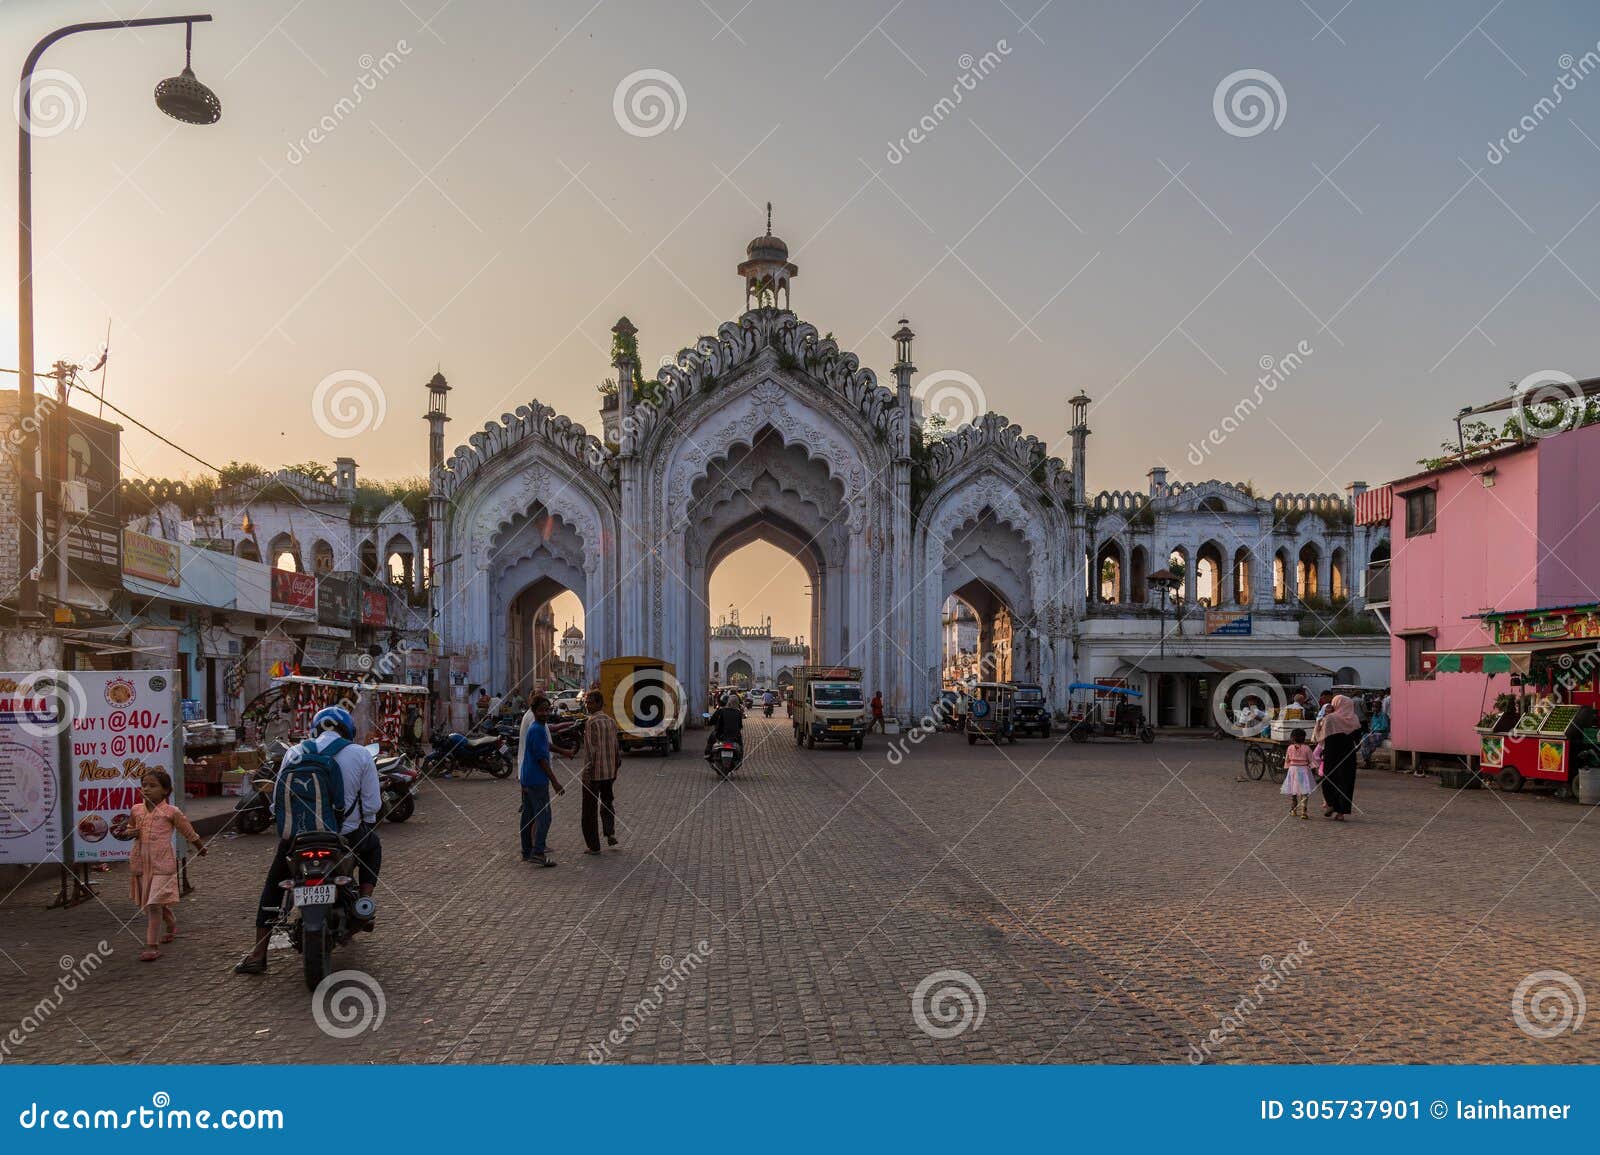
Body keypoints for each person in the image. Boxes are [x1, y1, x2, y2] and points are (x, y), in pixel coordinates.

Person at [235, 705, 382, 975]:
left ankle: (258, 953)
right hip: (344, 837)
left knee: (274, 882)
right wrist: (361, 825)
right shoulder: (361, 754)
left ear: (315, 728)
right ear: (348, 730)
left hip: (300, 838)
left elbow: (276, 804)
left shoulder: (295, 751)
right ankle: (364, 905)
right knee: (373, 847)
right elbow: (372, 805)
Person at [127, 770, 205, 962]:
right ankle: (171, 924)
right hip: (141, 863)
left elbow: (188, 831)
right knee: (155, 902)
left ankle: (152, 946)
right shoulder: (136, 810)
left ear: (166, 791)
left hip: (163, 865)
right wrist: (130, 832)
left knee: (153, 904)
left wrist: (200, 848)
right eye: (144, 785)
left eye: (152, 786)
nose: (146, 789)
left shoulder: (172, 812)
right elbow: (128, 829)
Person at [519, 695, 565, 866]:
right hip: (537, 780)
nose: (545, 713)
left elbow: (546, 746)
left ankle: (526, 851)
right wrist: (555, 782)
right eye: (541, 710)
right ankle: (538, 852)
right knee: (544, 817)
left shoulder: (537, 727)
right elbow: (541, 759)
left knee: (528, 817)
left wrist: (564, 751)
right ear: (534, 711)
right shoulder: (537, 728)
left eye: (547, 710)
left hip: (527, 778)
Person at [579, 690, 621, 855]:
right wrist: (616, 768)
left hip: (595, 773)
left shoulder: (591, 723)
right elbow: (616, 747)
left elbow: (591, 751)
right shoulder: (611, 721)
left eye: (590, 702)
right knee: (607, 803)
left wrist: (586, 774)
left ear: (599, 703)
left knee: (589, 810)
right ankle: (609, 832)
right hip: (609, 773)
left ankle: (594, 845)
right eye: (587, 702)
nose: (588, 705)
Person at [1314, 694, 1362, 821]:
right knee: (1346, 782)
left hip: (1331, 753)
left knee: (1329, 779)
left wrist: (1319, 723)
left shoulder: (1330, 718)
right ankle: (1341, 813)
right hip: (1348, 754)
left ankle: (1330, 804)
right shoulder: (1354, 719)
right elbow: (1358, 739)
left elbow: (1320, 737)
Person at [1280, 728, 1315, 821]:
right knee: (1304, 791)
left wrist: (1287, 767)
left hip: (1292, 770)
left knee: (1293, 789)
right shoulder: (1307, 748)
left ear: (1292, 738)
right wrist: (1315, 767)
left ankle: (1294, 809)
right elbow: (1311, 760)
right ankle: (1304, 811)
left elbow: (1287, 760)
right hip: (1304, 770)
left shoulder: (1290, 748)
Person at [704, 692, 744, 758]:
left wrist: (709, 723)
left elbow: (712, 721)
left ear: (728, 702)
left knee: (711, 739)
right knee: (740, 744)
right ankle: (740, 756)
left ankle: (708, 753)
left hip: (721, 734)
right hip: (735, 736)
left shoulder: (721, 710)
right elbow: (740, 726)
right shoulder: (738, 712)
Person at [1359, 702, 1390, 768]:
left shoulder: (1383, 715)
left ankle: (1367, 761)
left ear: (1380, 708)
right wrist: (1371, 730)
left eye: (1376, 707)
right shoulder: (1374, 716)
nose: (1374, 708)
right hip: (1374, 733)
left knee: (1368, 741)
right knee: (1364, 739)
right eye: (1373, 706)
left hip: (1381, 733)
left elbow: (1385, 727)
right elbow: (1372, 727)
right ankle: (1367, 760)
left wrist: (1376, 729)